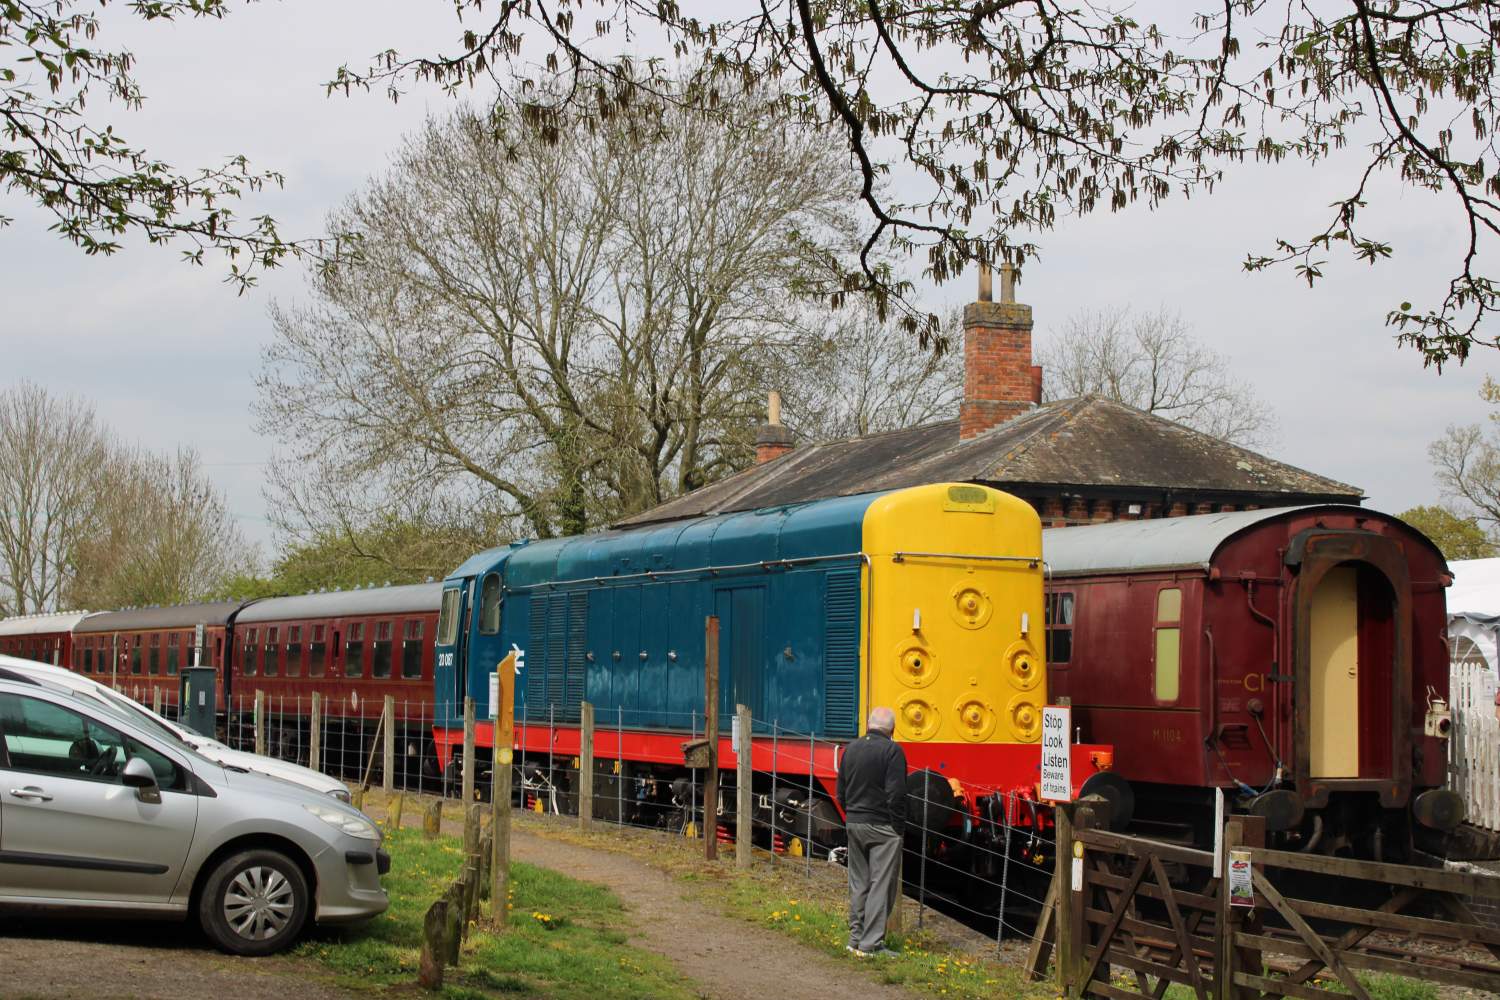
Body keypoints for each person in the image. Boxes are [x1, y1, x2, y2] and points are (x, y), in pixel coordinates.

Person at [835, 706, 908, 957]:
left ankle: (855, 939)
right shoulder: (892, 751)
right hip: (882, 827)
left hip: (854, 822)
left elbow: (840, 791)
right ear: (893, 730)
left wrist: (851, 815)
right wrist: (898, 827)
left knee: (859, 883)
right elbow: (896, 794)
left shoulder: (851, 748)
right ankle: (871, 945)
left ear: (868, 725)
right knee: (881, 885)